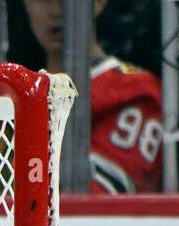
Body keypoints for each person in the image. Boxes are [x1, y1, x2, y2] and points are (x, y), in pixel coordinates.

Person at [23, 0, 163, 193]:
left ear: (98, 2)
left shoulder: (137, 93)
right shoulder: (7, 100)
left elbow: (96, 205)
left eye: (65, 1)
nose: (55, 12)